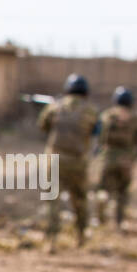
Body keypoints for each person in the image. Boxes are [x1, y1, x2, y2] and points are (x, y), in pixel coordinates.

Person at [38, 73, 98, 251]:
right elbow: (96, 132)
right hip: (78, 161)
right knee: (80, 200)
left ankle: (51, 240)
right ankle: (81, 237)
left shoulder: (55, 107)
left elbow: (42, 125)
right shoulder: (91, 110)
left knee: (52, 200)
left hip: (55, 160)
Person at [95, 86, 137, 231]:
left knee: (103, 189)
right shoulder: (135, 118)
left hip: (107, 160)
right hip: (126, 162)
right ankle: (119, 223)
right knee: (122, 193)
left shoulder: (107, 115)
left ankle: (101, 215)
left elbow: (98, 133)